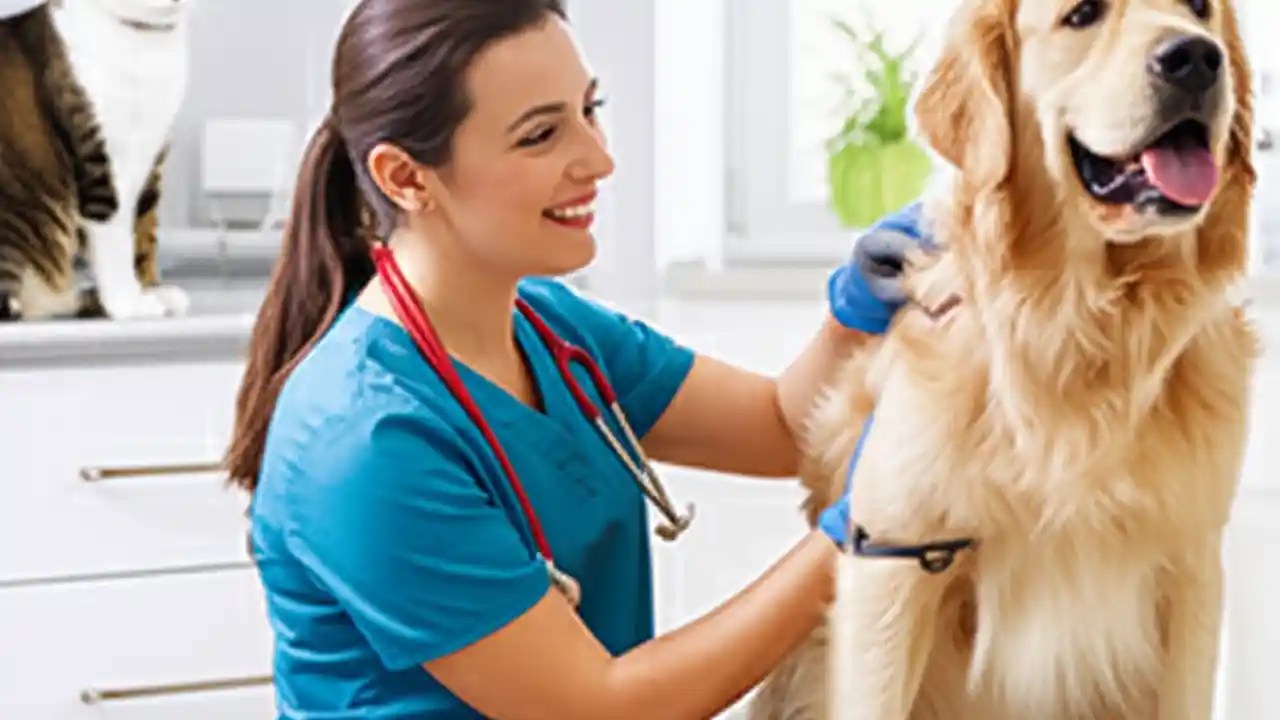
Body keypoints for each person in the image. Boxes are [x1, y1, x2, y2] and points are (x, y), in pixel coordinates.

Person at [223, 0, 924, 717]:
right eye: (541, 135)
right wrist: (866, 535)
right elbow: (597, 708)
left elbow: (777, 427)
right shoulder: (363, 438)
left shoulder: (550, 328)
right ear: (406, 178)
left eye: (591, 110)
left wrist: (855, 314)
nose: (599, 159)